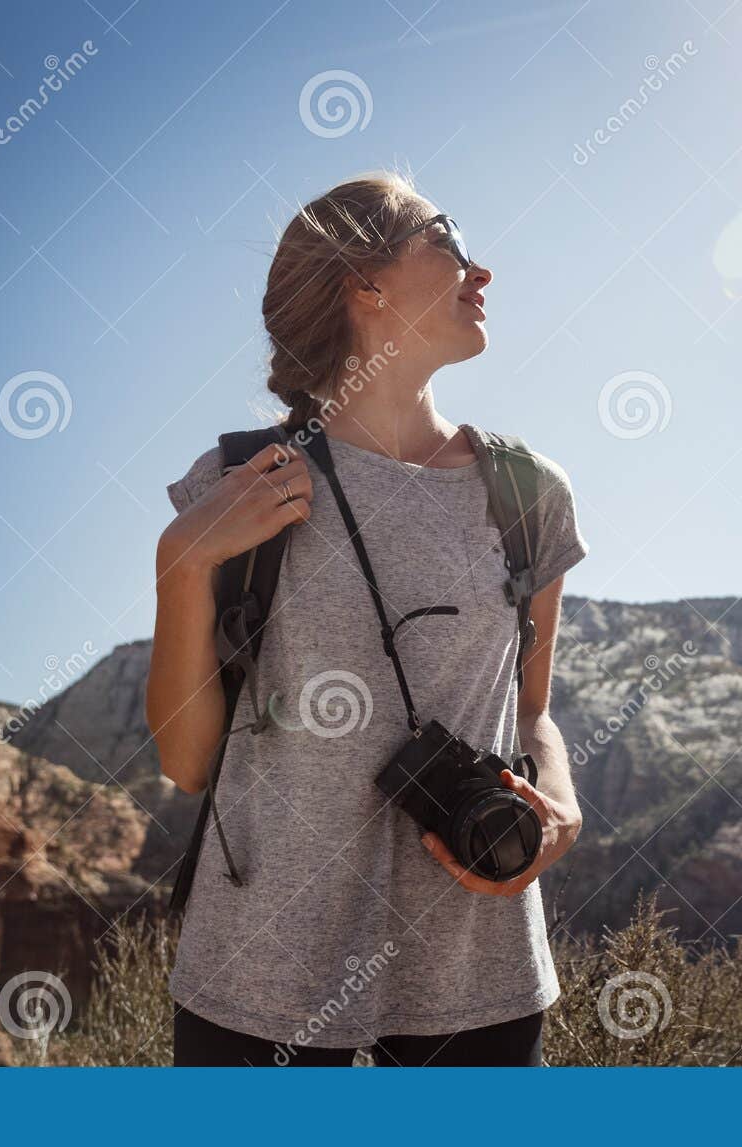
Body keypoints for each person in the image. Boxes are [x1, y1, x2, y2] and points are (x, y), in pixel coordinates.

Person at [147, 170, 590, 1066]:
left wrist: (563, 807)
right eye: (449, 237)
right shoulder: (238, 481)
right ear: (365, 284)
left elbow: (531, 708)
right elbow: (189, 763)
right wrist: (182, 561)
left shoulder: (528, 492)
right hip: (259, 984)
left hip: (478, 979)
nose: (484, 271)